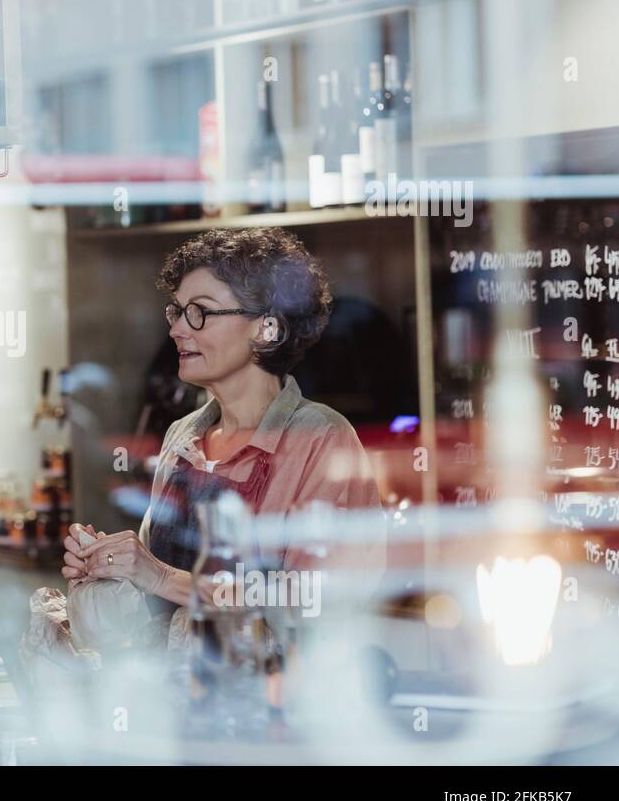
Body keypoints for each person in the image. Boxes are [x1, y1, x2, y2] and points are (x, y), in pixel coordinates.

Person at [63, 228, 385, 613]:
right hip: (177, 674)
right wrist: (111, 570)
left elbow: (315, 599)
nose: (177, 329)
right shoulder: (182, 437)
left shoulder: (320, 438)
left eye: (200, 312)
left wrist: (161, 576)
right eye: (177, 311)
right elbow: (153, 608)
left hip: (272, 674)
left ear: (267, 328)